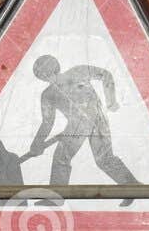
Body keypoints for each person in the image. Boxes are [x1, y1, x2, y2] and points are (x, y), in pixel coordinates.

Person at [22, 54, 139, 203]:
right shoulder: (52, 91)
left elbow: (106, 74)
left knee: (62, 158)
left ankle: (55, 198)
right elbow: (47, 122)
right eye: (42, 75)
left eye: (45, 74)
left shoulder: (68, 79)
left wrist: (111, 101)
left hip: (82, 123)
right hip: (97, 119)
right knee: (104, 159)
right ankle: (132, 186)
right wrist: (37, 143)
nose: (46, 78)